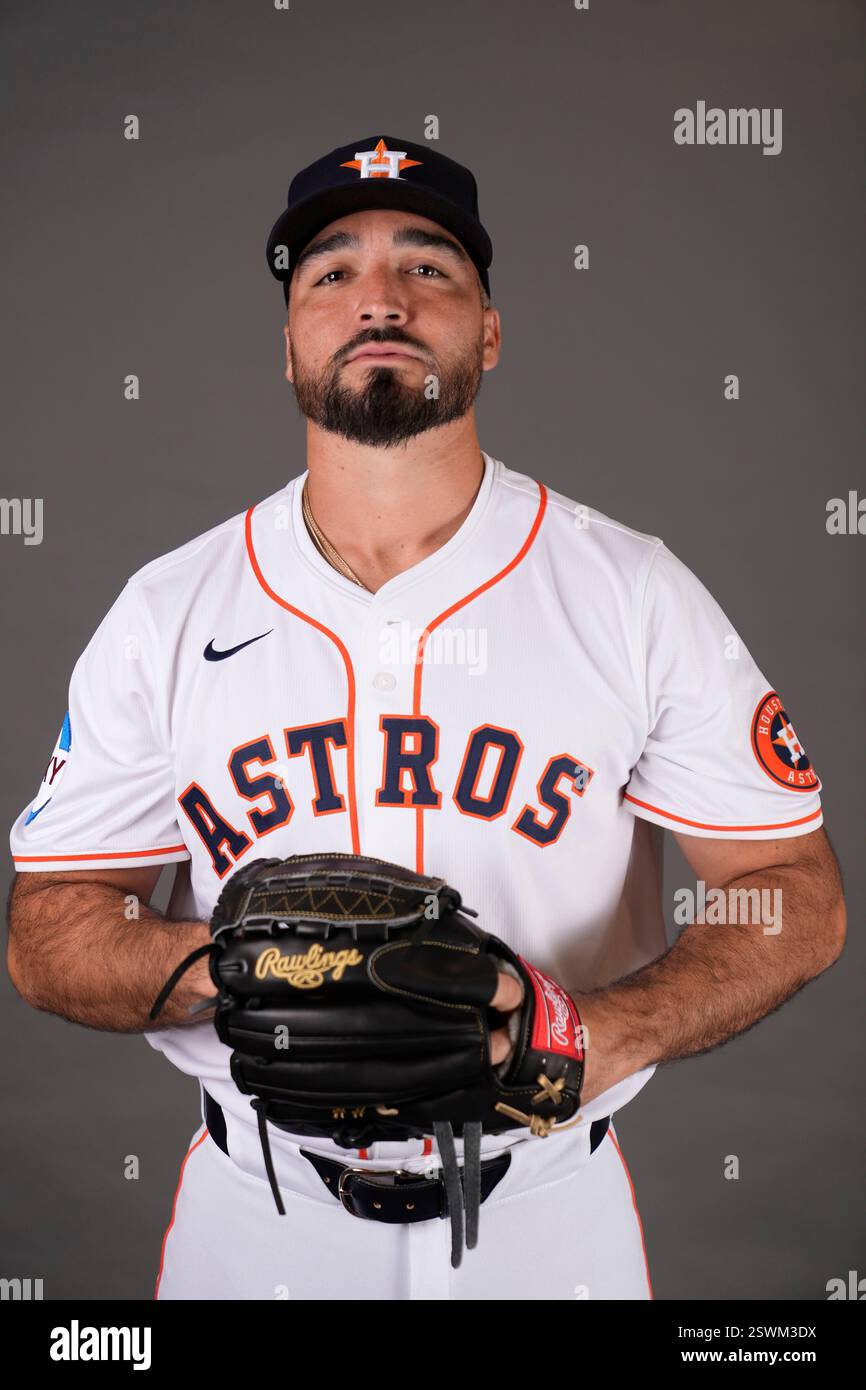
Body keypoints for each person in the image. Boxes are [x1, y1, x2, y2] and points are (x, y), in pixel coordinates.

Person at [7, 135, 845, 1301]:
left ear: (488, 333)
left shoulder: (629, 590)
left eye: (428, 268)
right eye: (330, 274)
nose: (380, 299)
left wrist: (592, 1033)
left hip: (548, 1209)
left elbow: (789, 893)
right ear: (290, 339)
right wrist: (228, 968)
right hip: (258, 1216)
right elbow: (48, 922)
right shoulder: (166, 610)